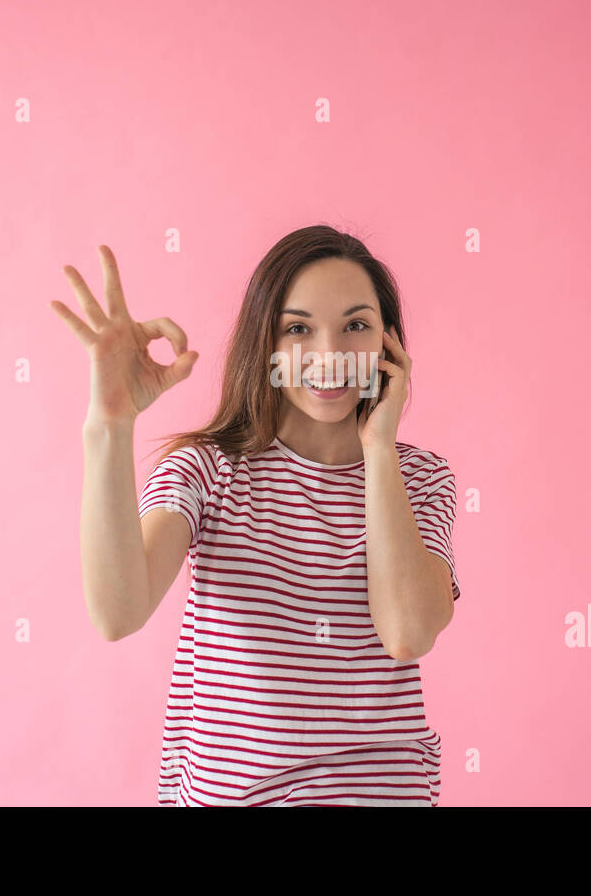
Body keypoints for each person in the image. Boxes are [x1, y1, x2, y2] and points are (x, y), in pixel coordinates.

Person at [49, 225, 460, 806]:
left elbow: (408, 633)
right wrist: (110, 425)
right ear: (264, 345)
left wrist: (379, 450)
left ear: (390, 347)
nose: (331, 355)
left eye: (356, 326)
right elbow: (118, 611)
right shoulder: (208, 471)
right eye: (298, 329)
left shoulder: (420, 478)